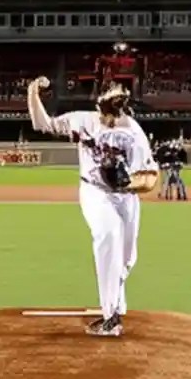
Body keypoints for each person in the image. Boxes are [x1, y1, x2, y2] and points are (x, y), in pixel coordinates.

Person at [27, 77, 159, 337]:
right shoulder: (81, 120)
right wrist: (32, 92)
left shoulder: (133, 131)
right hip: (94, 191)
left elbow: (151, 177)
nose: (111, 116)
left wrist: (131, 182)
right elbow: (42, 124)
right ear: (100, 107)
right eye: (107, 110)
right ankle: (110, 316)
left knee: (126, 259)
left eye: (115, 110)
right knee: (107, 236)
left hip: (126, 197)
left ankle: (117, 307)